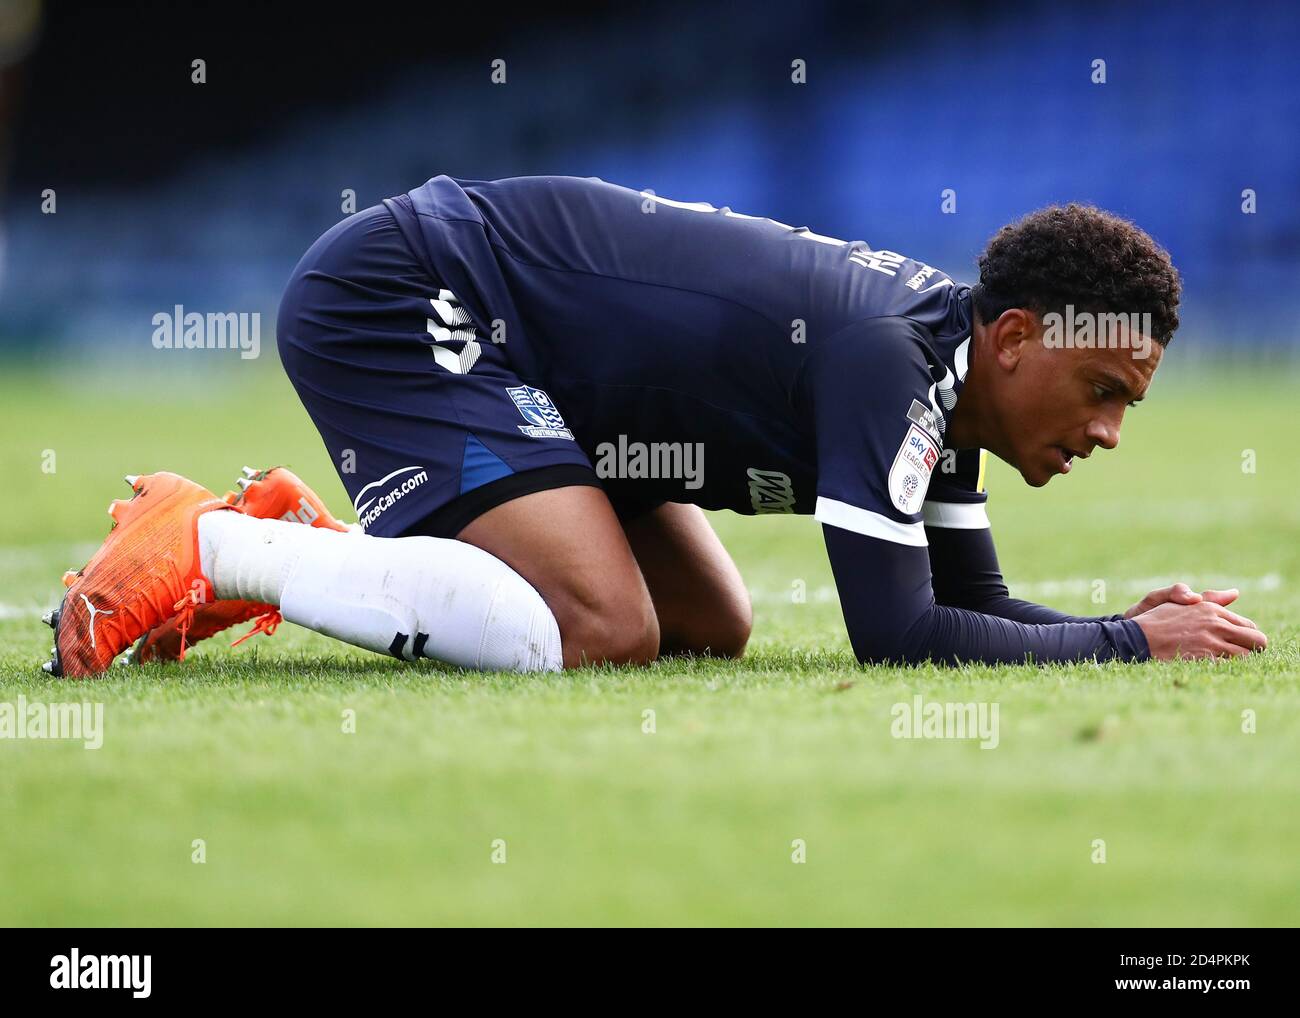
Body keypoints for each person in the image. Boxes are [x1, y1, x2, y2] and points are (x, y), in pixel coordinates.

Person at [43, 177, 1267, 677]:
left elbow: (974, 605)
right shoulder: (890, 362)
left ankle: (296, 540)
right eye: (1103, 389)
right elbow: (895, 636)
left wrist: (1135, 624)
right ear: (1013, 341)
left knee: (705, 624)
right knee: (604, 624)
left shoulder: (944, 381)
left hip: (556, 372)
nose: (1110, 430)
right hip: (418, 286)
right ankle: (206, 543)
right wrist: (1123, 646)